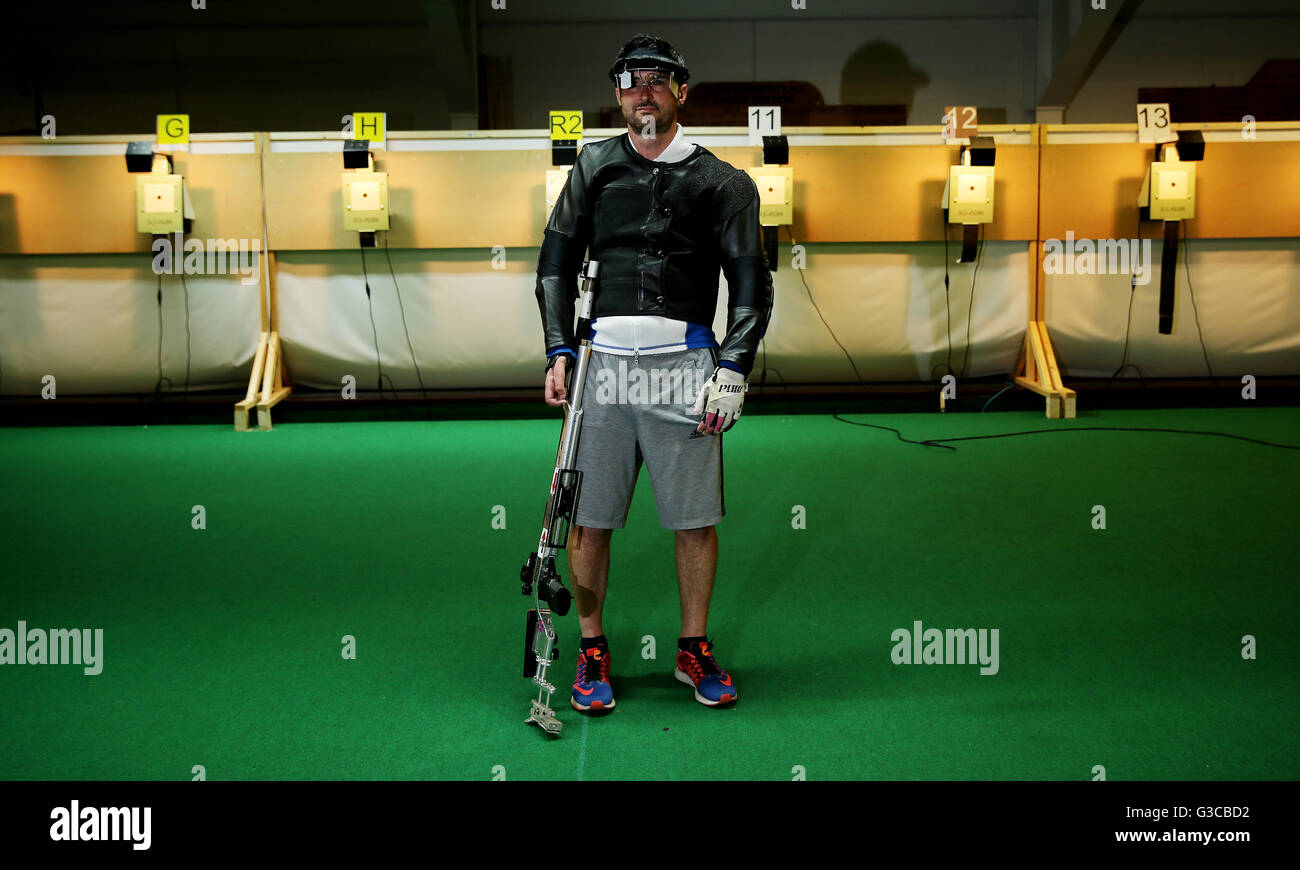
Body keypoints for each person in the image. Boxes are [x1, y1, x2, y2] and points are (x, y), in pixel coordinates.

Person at [534, 34, 772, 713]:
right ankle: (591, 650)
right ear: (617, 94)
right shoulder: (592, 168)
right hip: (602, 368)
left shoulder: (724, 182)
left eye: (657, 80)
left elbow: (752, 285)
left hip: (685, 368)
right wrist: (558, 348)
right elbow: (554, 266)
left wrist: (733, 367)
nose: (643, 91)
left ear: (681, 90)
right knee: (589, 523)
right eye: (630, 81)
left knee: (695, 522)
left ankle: (692, 650)